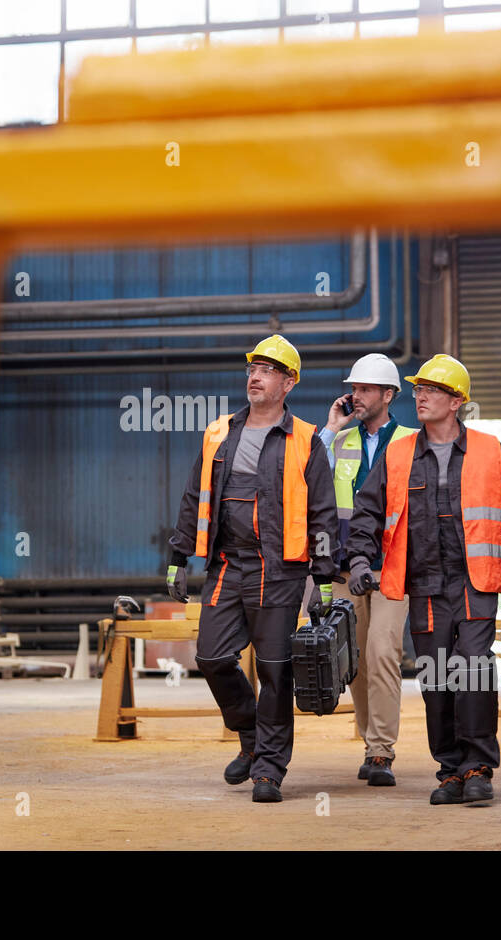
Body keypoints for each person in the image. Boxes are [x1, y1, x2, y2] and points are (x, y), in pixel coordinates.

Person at [346, 354, 501, 805]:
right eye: (419, 389)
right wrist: (358, 560)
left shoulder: (491, 450)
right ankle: (450, 769)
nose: (421, 396)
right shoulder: (398, 453)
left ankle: (478, 766)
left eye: (432, 390)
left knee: (471, 668)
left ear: (456, 402)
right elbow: (367, 512)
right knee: (435, 678)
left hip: (474, 582)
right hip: (424, 583)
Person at [166, 334, 339, 803]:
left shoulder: (305, 440)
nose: (255, 377)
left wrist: (322, 578)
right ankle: (248, 733)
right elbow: (193, 497)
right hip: (226, 563)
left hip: (280, 570)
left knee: (276, 670)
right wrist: (178, 557)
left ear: (289, 382)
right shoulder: (220, 432)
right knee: (213, 657)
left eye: (266, 370)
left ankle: (268, 770)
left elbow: (323, 511)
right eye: (252, 369)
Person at [319, 354, 416, 788]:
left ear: (388, 395)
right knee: (351, 661)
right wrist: (331, 428)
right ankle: (369, 738)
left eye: (364, 390)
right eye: (353, 389)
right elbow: (307, 478)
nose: (355, 396)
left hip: (392, 566)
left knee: (382, 653)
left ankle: (380, 751)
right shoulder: (340, 441)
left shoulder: (412, 441)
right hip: (344, 568)